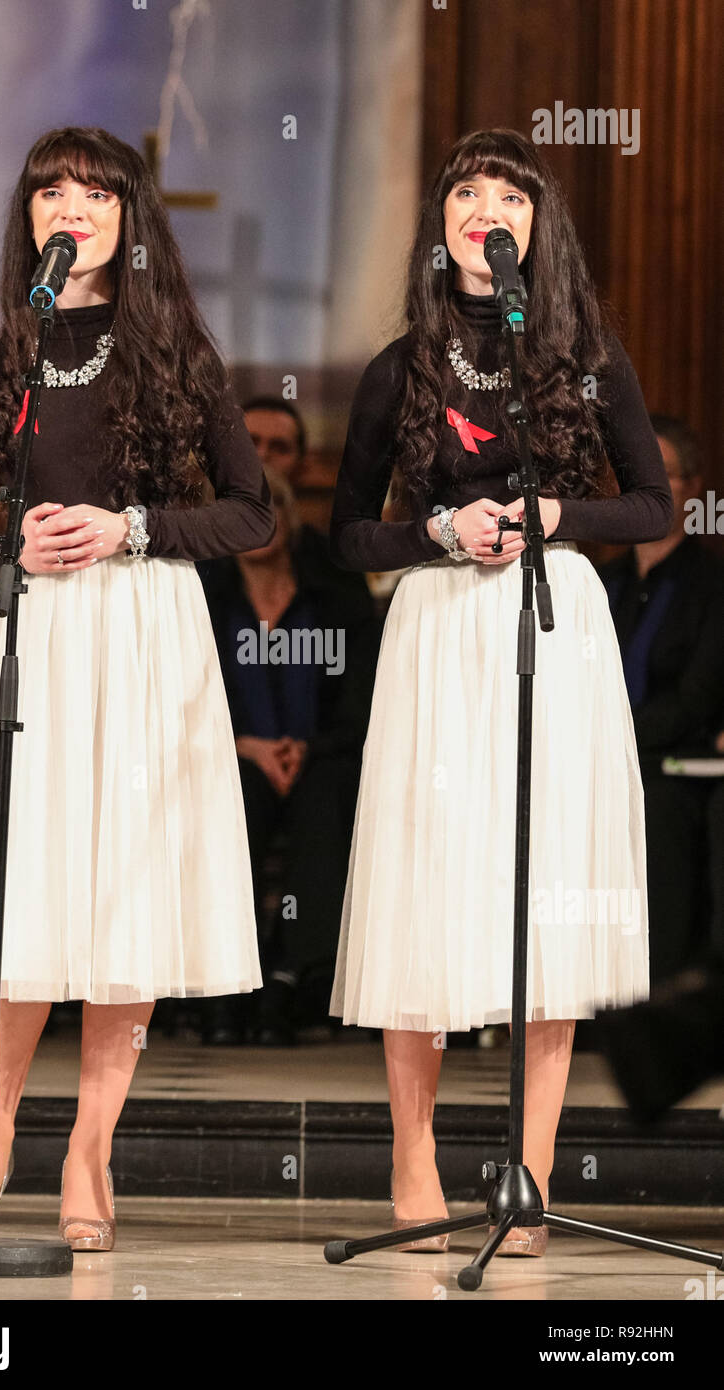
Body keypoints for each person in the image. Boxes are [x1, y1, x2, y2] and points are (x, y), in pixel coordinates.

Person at [0, 126, 274, 1250]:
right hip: (38, 638)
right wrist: (7, 548)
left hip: (146, 629)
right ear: (26, 219)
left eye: (95, 192)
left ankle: (89, 1148)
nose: (72, 207)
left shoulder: (177, 358)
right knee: (24, 897)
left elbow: (253, 513)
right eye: (50, 191)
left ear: (129, 217)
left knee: (123, 904)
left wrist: (132, 527)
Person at [328, 128, 672, 1256]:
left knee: (549, 891)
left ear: (535, 226)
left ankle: (526, 1168)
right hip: (436, 630)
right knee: (426, 885)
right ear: (441, 225)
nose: (486, 209)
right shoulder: (396, 369)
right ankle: (414, 1157)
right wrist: (435, 528)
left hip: (552, 624)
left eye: (508, 195)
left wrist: (553, 518)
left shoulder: (583, 357)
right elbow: (344, 537)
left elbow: (653, 505)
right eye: (465, 192)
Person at [198, 466, 380, 1044]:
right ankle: (229, 985)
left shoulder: (337, 589)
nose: (262, 519)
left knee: (326, 804)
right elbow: (179, 697)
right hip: (228, 756)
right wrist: (242, 746)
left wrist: (307, 748)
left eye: (272, 503)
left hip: (324, 754)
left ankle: (288, 975)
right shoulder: (203, 592)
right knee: (232, 808)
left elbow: (362, 700)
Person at [598, 416, 724, 983]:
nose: (647, 484)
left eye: (663, 474)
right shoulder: (596, 582)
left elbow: (696, 698)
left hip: (669, 762)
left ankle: (652, 994)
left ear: (692, 487)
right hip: (589, 758)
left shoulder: (711, 585)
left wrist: (614, 747)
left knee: (657, 805)